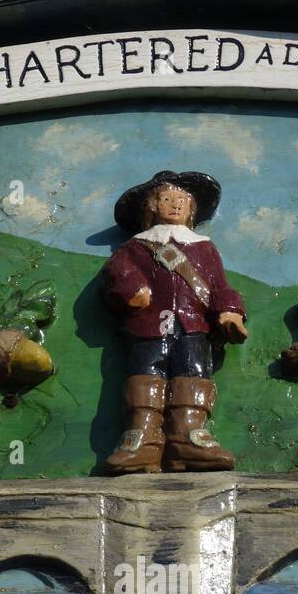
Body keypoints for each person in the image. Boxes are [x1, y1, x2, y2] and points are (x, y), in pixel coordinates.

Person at [101, 170, 247, 474]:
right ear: (152, 206)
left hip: (193, 327)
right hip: (149, 327)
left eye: (183, 200)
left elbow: (218, 285)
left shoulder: (203, 247)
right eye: (167, 198)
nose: (176, 204)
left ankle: (189, 436)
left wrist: (230, 311)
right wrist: (132, 289)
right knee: (145, 375)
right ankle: (142, 439)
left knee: (194, 373)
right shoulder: (136, 247)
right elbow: (117, 271)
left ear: (191, 208)